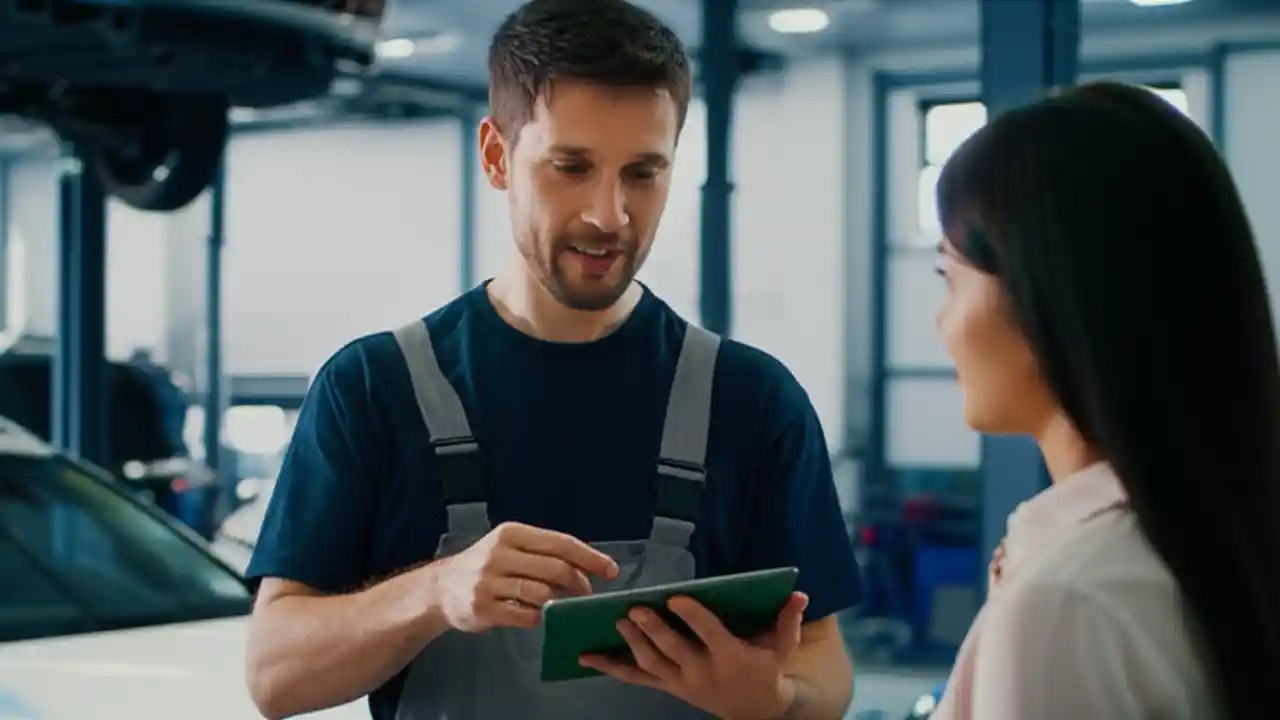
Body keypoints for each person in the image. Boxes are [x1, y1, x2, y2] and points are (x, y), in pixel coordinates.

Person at [243, 1, 862, 718]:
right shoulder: (371, 390)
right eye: (571, 167)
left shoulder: (752, 401)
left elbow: (824, 662)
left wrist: (777, 701)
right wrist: (434, 592)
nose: (609, 215)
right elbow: (274, 676)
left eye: (643, 173)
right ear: (496, 156)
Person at [929, 80, 1280, 719]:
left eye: (949, 278)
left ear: (1048, 295)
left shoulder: (1067, 600)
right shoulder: (1196, 539)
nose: (941, 322)